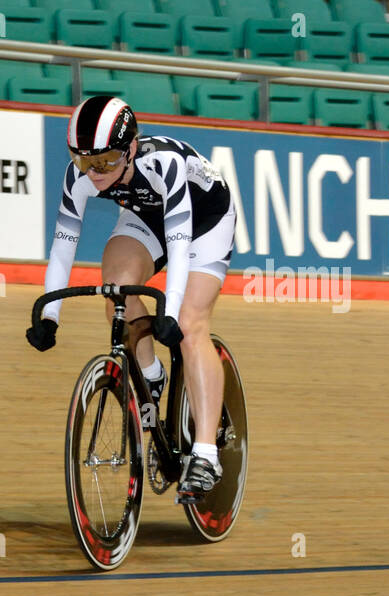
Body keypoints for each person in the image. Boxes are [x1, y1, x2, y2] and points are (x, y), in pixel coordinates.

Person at [27, 95, 236, 502]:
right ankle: (151, 375)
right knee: (116, 292)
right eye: (84, 161)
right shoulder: (82, 175)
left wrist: (171, 314)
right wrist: (49, 314)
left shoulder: (164, 165)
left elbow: (179, 245)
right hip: (146, 214)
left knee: (191, 325)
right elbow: (63, 245)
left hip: (204, 218)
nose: (95, 173)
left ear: (132, 148)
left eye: (105, 162)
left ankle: (207, 453)